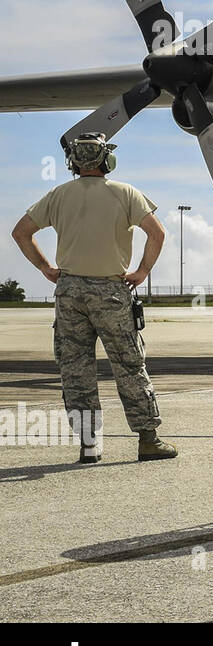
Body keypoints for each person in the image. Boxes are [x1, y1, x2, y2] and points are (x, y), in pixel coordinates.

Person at [10, 133, 175, 463]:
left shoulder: (58, 195)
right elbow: (156, 232)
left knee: (76, 369)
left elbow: (21, 232)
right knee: (129, 365)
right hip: (111, 292)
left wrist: (45, 267)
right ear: (106, 160)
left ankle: (89, 445)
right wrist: (141, 272)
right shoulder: (125, 193)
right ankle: (147, 439)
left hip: (69, 293)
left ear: (74, 162)